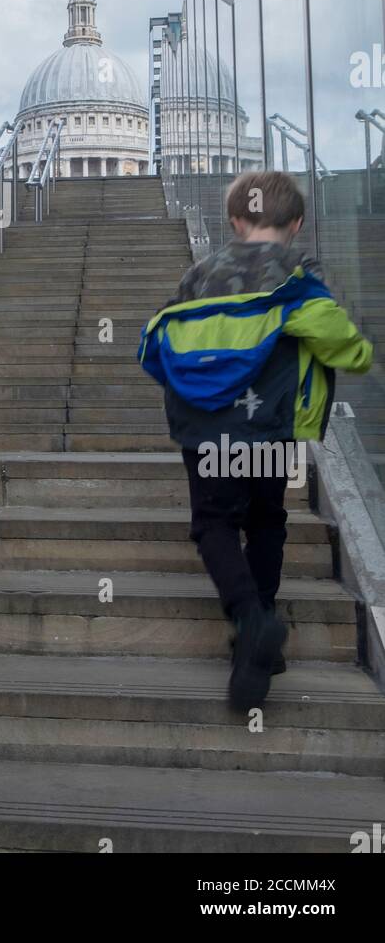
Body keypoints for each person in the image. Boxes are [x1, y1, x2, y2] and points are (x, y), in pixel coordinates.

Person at [139, 170, 373, 711]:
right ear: (295, 224)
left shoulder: (200, 273)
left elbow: (163, 339)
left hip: (206, 428)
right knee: (267, 520)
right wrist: (360, 355)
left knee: (215, 524)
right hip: (271, 425)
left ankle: (252, 620)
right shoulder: (300, 273)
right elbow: (337, 339)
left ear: (235, 220)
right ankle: (261, 627)